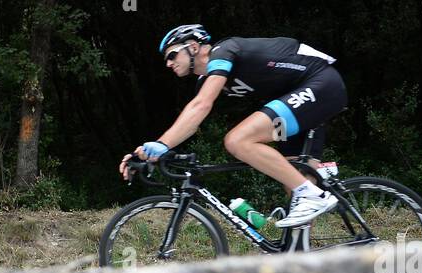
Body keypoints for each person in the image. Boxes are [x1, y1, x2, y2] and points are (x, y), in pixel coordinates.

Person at [121, 25, 348, 228]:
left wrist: (162, 144)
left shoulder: (223, 52)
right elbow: (193, 120)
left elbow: (201, 105)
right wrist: (147, 153)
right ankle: (304, 251)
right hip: (302, 100)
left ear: (192, 46)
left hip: (320, 84)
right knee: (294, 182)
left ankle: (313, 193)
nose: (168, 63)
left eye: (172, 55)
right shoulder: (208, 78)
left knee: (238, 140)